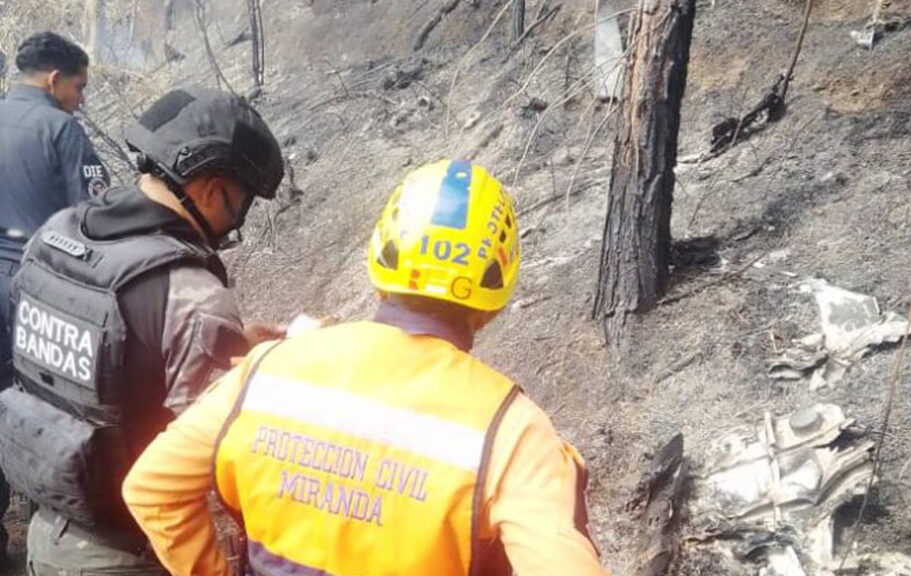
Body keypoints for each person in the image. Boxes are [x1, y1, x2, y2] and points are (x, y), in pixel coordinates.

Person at [122, 160, 608, 576]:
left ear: (379, 266)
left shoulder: (269, 372)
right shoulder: (514, 434)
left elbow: (151, 488)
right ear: (494, 301)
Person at [0, 86, 285, 576]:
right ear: (215, 189)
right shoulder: (190, 293)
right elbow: (220, 457)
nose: (238, 217)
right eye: (243, 200)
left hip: (49, 532)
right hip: (130, 553)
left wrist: (240, 349)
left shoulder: (57, 237)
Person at [0, 31, 109, 560]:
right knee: (40, 417)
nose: (81, 99)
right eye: (79, 86)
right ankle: (53, 540)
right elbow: (96, 220)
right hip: (31, 295)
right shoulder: (61, 131)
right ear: (53, 79)